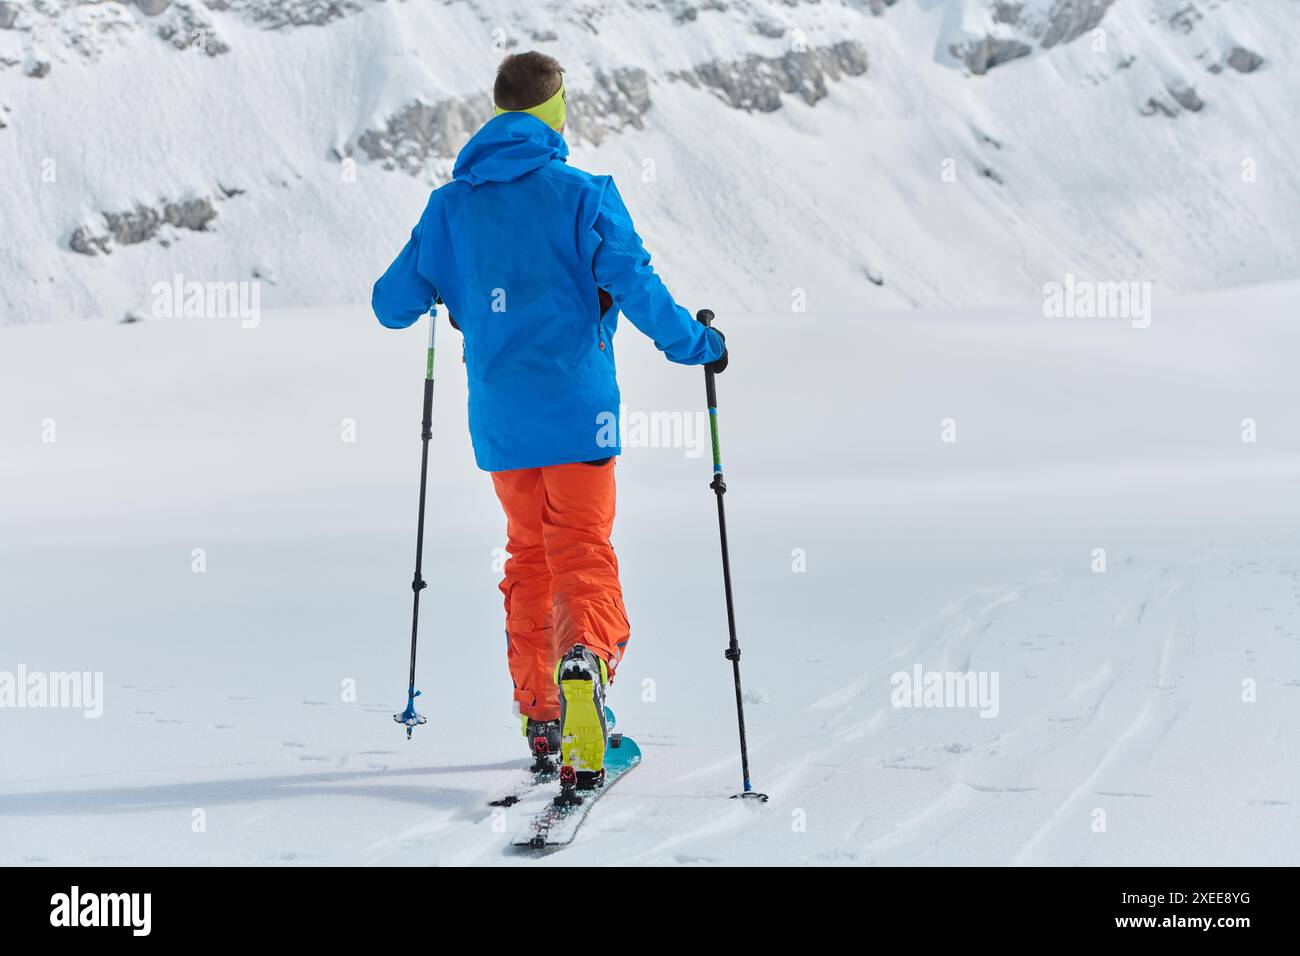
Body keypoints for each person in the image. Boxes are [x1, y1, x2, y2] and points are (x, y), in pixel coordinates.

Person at [372, 50, 727, 790]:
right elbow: (637, 286)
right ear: (552, 113)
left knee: (529, 559)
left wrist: (448, 282)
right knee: (582, 553)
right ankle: (586, 670)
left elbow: (389, 304)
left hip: (502, 427)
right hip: (579, 417)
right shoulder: (583, 193)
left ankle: (543, 715)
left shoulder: (450, 207)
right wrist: (699, 346)